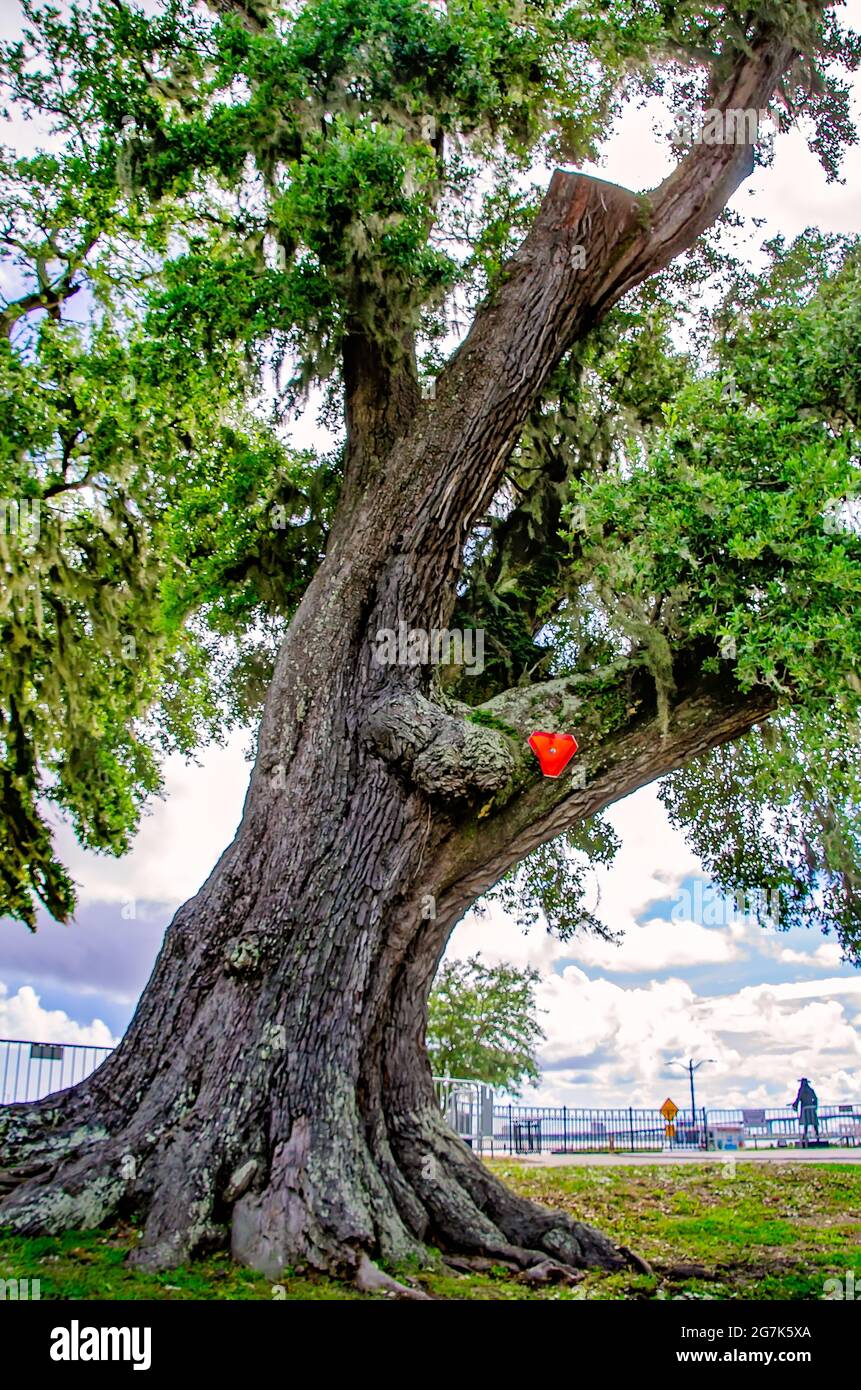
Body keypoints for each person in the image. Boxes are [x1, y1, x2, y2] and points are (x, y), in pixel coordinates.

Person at [792, 1077, 820, 1144]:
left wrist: (795, 1105)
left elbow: (798, 1099)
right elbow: (816, 1098)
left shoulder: (801, 1090)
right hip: (812, 1108)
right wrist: (815, 1105)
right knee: (814, 1123)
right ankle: (817, 1136)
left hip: (805, 1108)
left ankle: (805, 1137)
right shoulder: (811, 1090)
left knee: (806, 1123)